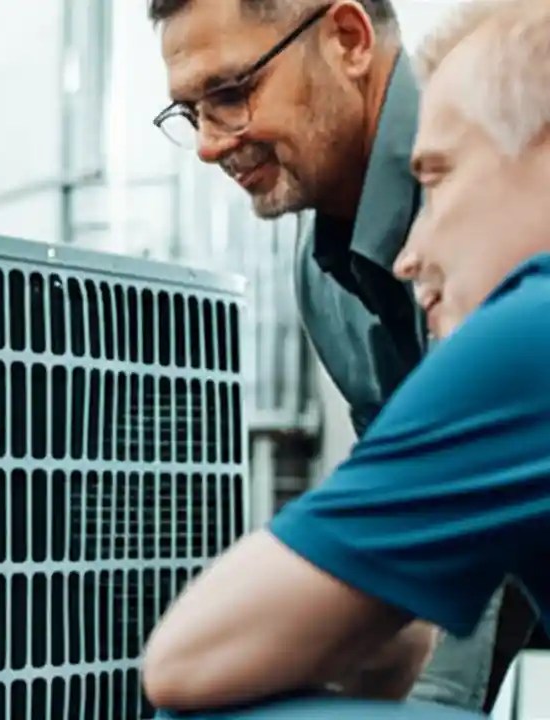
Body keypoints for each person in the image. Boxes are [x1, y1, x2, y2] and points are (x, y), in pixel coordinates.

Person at [142, 0, 550, 715]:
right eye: (192, 112)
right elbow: (413, 514)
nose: (209, 144)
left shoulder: (486, 134)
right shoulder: (319, 276)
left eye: (233, 93)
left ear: (347, 39)